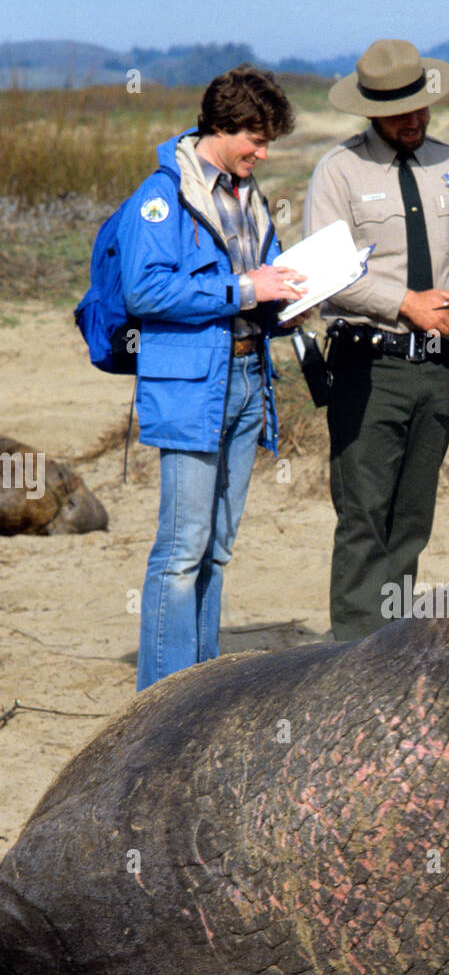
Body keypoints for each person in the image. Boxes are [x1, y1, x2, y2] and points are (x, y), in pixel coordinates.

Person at [120, 64, 307, 690]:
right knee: (180, 553)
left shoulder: (245, 195)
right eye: (255, 138)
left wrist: (293, 293)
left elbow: (266, 278)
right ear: (220, 126)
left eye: (268, 140)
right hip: (192, 387)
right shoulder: (161, 195)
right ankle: (161, 702)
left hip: (250, 377)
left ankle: (197, 692)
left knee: (216, 551)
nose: (263, 151)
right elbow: (145, 289)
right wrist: (247, 286)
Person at [303, 39, 449, 641]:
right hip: (369, 367)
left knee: (411, 521)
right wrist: (405, 303)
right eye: (398, 112)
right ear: (369, 110)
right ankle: (350, 666)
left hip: (439, 369)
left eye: (420, 107)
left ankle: (388, 654)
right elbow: (324, 278)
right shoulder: (339, 170)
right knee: (364, 520)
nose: (413, 120)